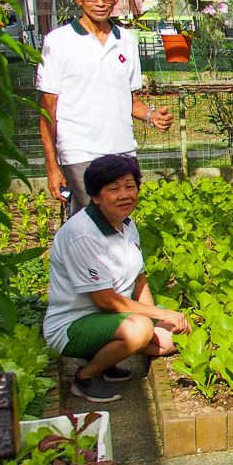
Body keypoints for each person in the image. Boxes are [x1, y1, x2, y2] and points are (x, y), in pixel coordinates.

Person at [43, 154, 191, 403]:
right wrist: (158, 317)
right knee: (140, 330)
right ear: (96, 196)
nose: (125, 195)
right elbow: (105, 301)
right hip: (73, 325)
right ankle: (87, 376)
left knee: (175, 337)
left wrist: (156, 314)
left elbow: (139, 279)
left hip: (112, 319)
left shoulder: (126, 224)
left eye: (130, 186)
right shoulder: (83, 235)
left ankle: (103, 356)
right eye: (114, 189)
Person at [37, 0, 174, 217]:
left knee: (120, 221)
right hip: (79, 152)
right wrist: (52, 165)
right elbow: (48, 109)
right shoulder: (58, 42)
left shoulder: (127, 41)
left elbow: (130, 99)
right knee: (85, 226)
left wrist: (151, 115)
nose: (100, 2)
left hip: (122, 152)